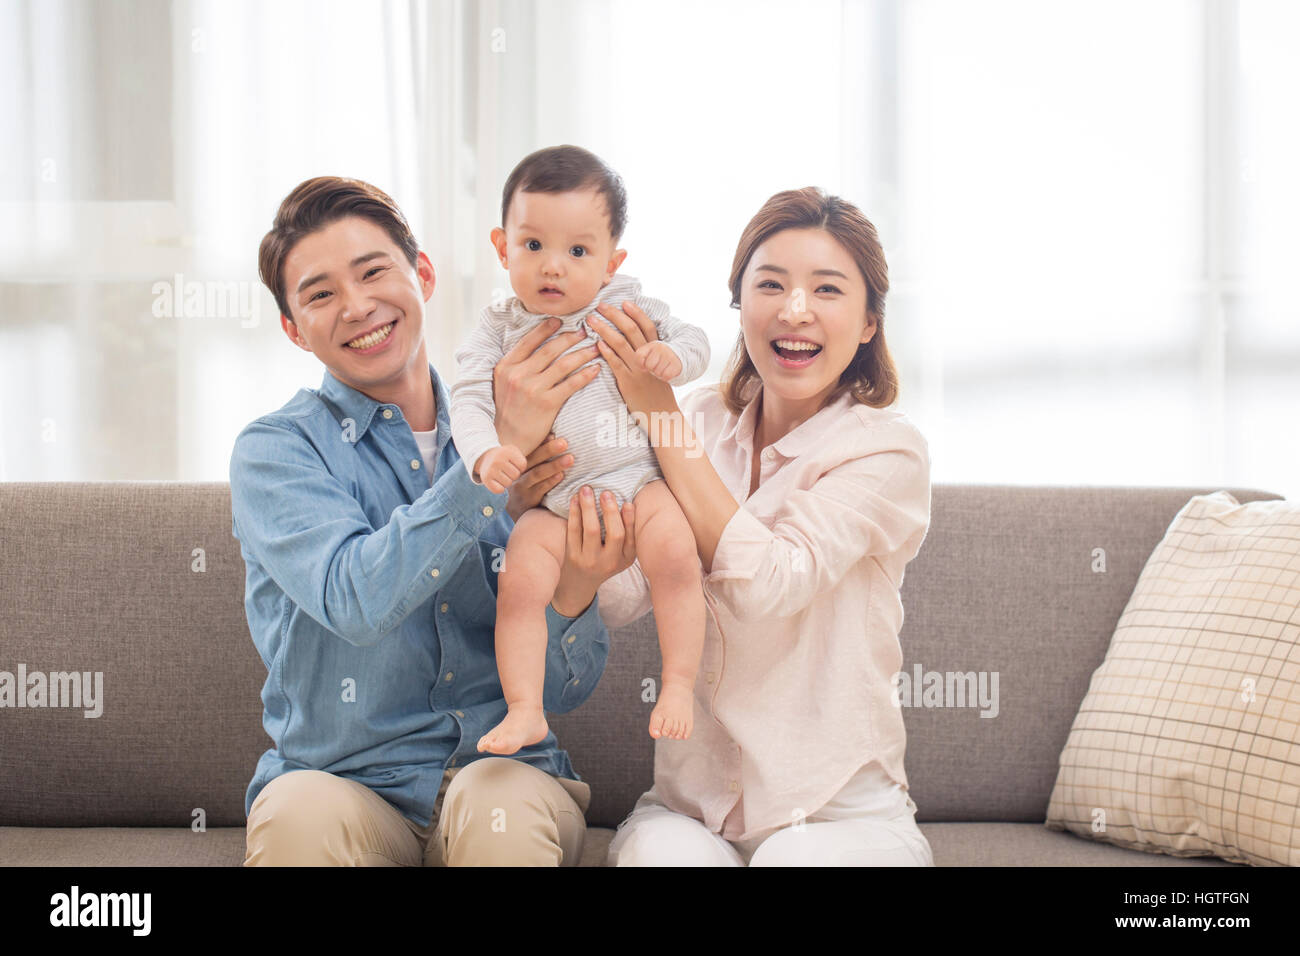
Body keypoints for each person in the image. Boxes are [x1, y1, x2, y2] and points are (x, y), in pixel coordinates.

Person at [230, 175, 632, 866]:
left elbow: (566, 690)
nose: (357, 306)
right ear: (294, 330)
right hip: (342, 783)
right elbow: (355, 600)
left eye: (373, 272)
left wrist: (576, 591)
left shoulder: (540, 430)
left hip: (502, 774)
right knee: (298, 818)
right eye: (320, 294)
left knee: (498, 812)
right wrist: (484, 474)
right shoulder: (277, 452)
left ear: (423, 274)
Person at [591, 187, 937, 866]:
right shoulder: (695, 421)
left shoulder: (887, 451)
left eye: (828, 290)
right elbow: (621, 597)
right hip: (691, 811)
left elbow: (769, 583)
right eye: (770, 285)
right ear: (740, 304)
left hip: (840, 815)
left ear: (870, 322)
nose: (795, 310)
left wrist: (657, 417)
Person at [453, 146, 710, 755]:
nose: (553, 268)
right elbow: (466, 398)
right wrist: (485, 454)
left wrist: (672, 359)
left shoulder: (626, 307)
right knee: (518, 589)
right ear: (501, 246)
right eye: (533, 245)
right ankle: (525, 709)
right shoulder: (498, 325)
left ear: (611, 260)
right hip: (550, 507)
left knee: (678, 560)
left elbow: (695, 338)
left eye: (577, 251)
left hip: (639, 487)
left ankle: (676, 684)